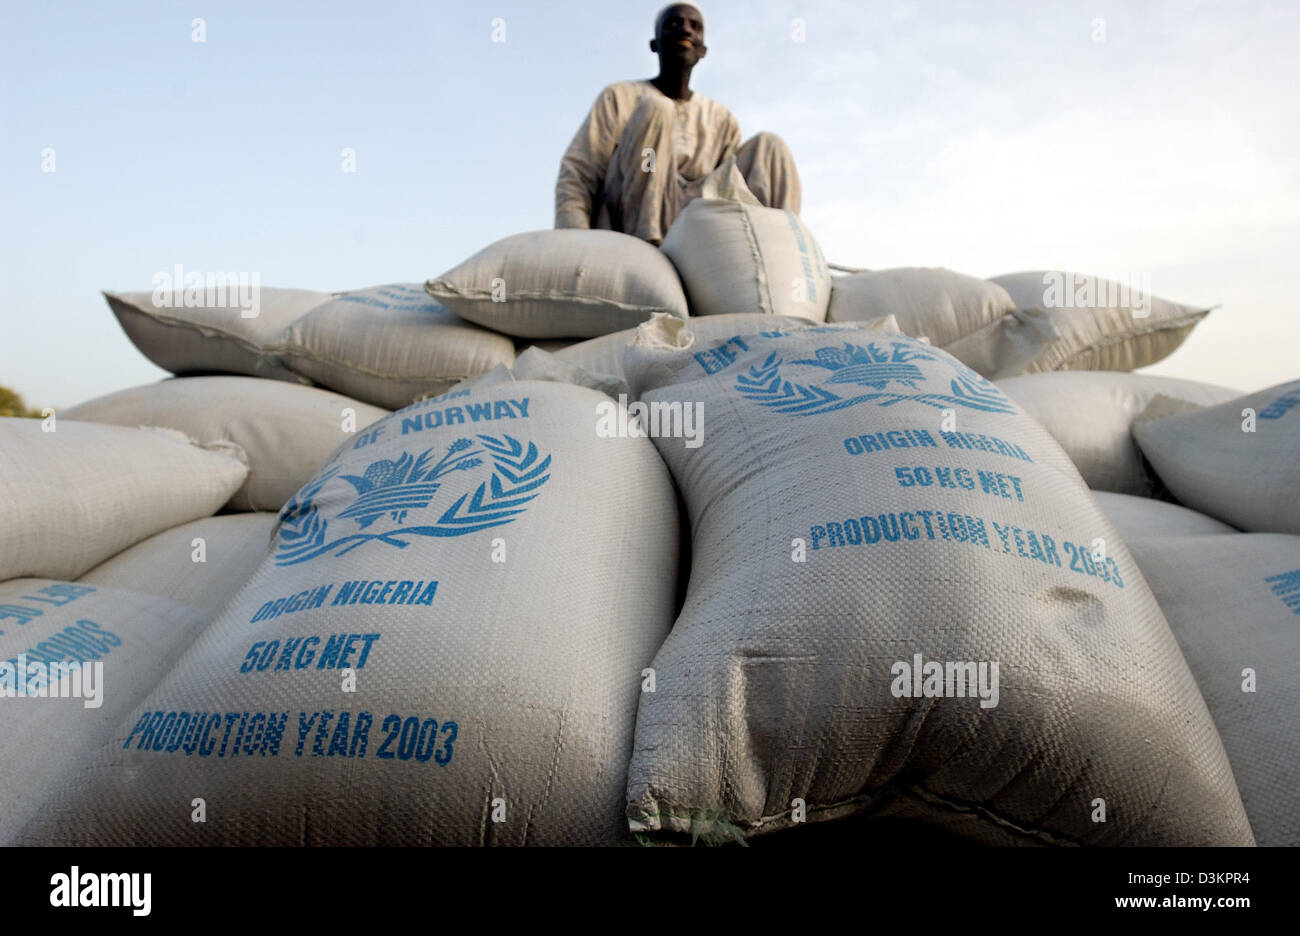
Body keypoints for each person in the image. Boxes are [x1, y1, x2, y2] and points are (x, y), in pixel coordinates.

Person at [554, 3, 802, 245]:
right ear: (654, 44)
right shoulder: (619, 97)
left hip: (697, 219)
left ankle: (782, 251)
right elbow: (578, 174)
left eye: (695, 26)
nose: (685, 30)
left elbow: (728, 188)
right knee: (657, 110)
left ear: (703, 49)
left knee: (770, 146)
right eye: (673, 24)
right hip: (632, 216)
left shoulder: (721, 119)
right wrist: (576, 245)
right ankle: (650, 246)